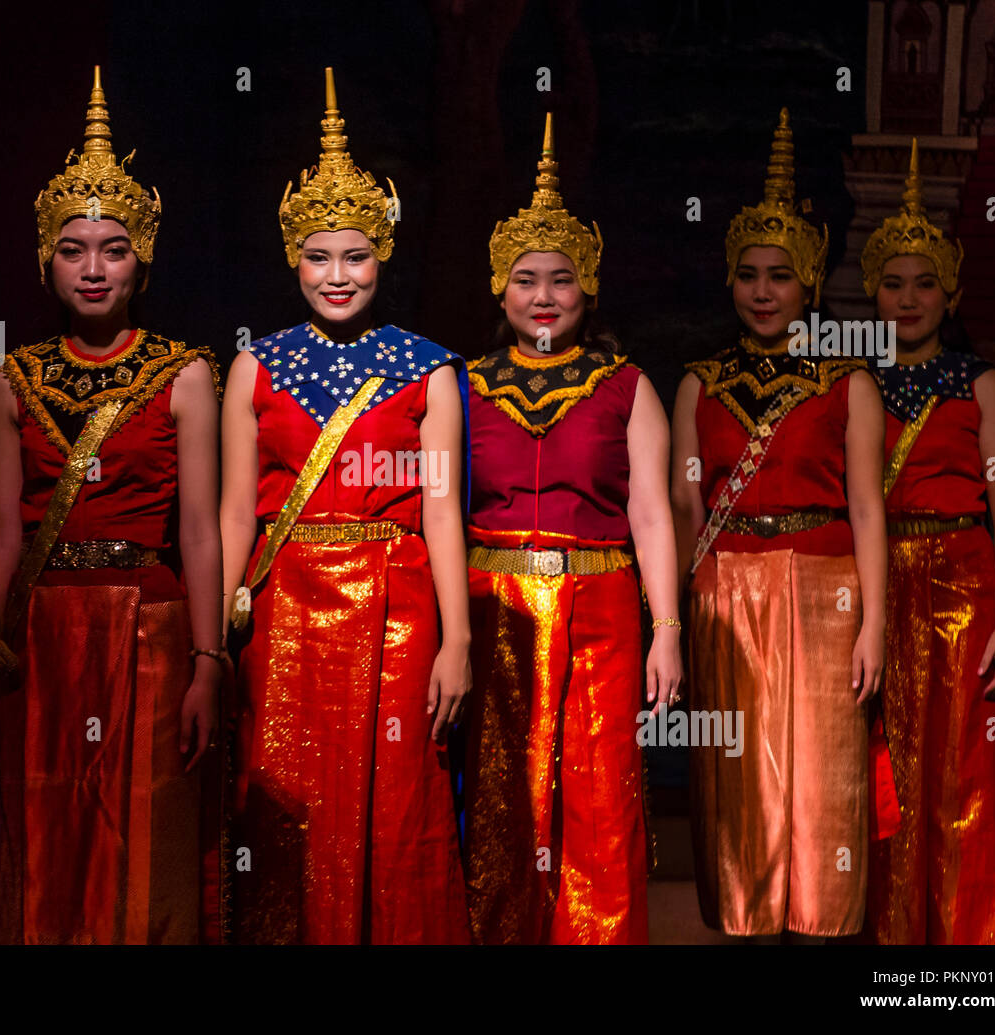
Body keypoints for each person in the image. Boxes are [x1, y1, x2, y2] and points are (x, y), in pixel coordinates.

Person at [0, 67, 224, 944]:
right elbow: (1, 532)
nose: (95, 266)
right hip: (42, 636)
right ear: (46, 257)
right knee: (47, 838)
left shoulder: (185, 372)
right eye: (75, 248)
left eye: (113, 247)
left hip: (149, 629)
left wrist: (210, 660)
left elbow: (200, 528)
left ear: (141, 258)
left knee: (147, 838)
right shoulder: (15, 375)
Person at [220, 68, 472, 944]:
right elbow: (231, 516)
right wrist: (214, 643)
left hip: (399, 610)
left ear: (383, 257)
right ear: (294, 259)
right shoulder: (254, 365)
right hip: (285, 607)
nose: (338, 274)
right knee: (287, 801)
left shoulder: (429, 366)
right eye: (320, 257)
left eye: (355, 255)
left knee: (398, 801)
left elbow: (443, 510)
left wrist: (458, 639)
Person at [461, 114, 679, 944]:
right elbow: (436, 512)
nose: (543, 295)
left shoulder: (627, 386)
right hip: (495, 602)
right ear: (497, 286)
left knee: (600, 793)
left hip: (602, 601)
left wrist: (667, 628)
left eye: (560, 278)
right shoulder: (464, 386)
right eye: (525, 279)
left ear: (588, 286)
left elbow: (653, 512)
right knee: (501, 790)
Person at [670, 108, 887, 939]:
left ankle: (825, 929)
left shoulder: (847, 381)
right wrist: (680, 618)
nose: (764, 290)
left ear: (810, 281)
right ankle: (746, 921)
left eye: (782, 275)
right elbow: (688, 509)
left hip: (828, 588)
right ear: (730, 279)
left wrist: (874, 619)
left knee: (825, 781)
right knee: (741, 785)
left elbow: (866, 504)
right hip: (728, 591)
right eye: (750, 273)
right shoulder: (700, 381)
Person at [860, 140, 995, 944]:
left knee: (961, 776)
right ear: (871, 291)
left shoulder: (977, 381)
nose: (909, 297)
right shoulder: (851, 385)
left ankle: (965, 961)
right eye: (893, 282)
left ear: (949, 290)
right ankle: (891, 948)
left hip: (964, 577)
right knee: (883, 769)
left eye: (925, 282)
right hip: (878, 577)